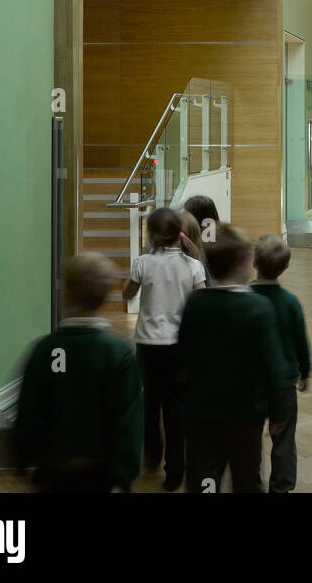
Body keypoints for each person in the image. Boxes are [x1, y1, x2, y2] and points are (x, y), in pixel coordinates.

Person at [14, 253, 143, 492]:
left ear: (66, 294)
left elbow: (28, 410)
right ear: (104, 296)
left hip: (52, 473)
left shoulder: (44, 349)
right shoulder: (118, 352)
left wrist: (25, 460)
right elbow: (127, 421)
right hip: (102, 475)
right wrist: (124, 474)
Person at [178, 223, 286, 494]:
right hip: (244, 415)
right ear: (242, 265)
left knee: (203, 478)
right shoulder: (258, 307)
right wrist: (278, 410)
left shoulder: (195, 303)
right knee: (247, 478)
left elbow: (183, 355)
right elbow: (272, 366)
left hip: (201, 413)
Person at [123, 206, 205, 491]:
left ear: (154, 235)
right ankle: (175, 472)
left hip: (147, 345)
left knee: (150, 404)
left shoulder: (142, 262)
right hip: (179, 348)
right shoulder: (194, 266)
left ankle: (151, 456)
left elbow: (128, 294)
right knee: (175, 410)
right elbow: (201, 302)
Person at [251, 236, 312, 494]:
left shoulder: (245, 298)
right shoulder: (290, 302)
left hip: (249, 384)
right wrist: (305, 372)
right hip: (282, 384)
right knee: (283, 437)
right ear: (285, 267)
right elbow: (301, 342)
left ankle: (250, 482)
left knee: (249, 437)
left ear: (254, 262)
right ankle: (281, 487)